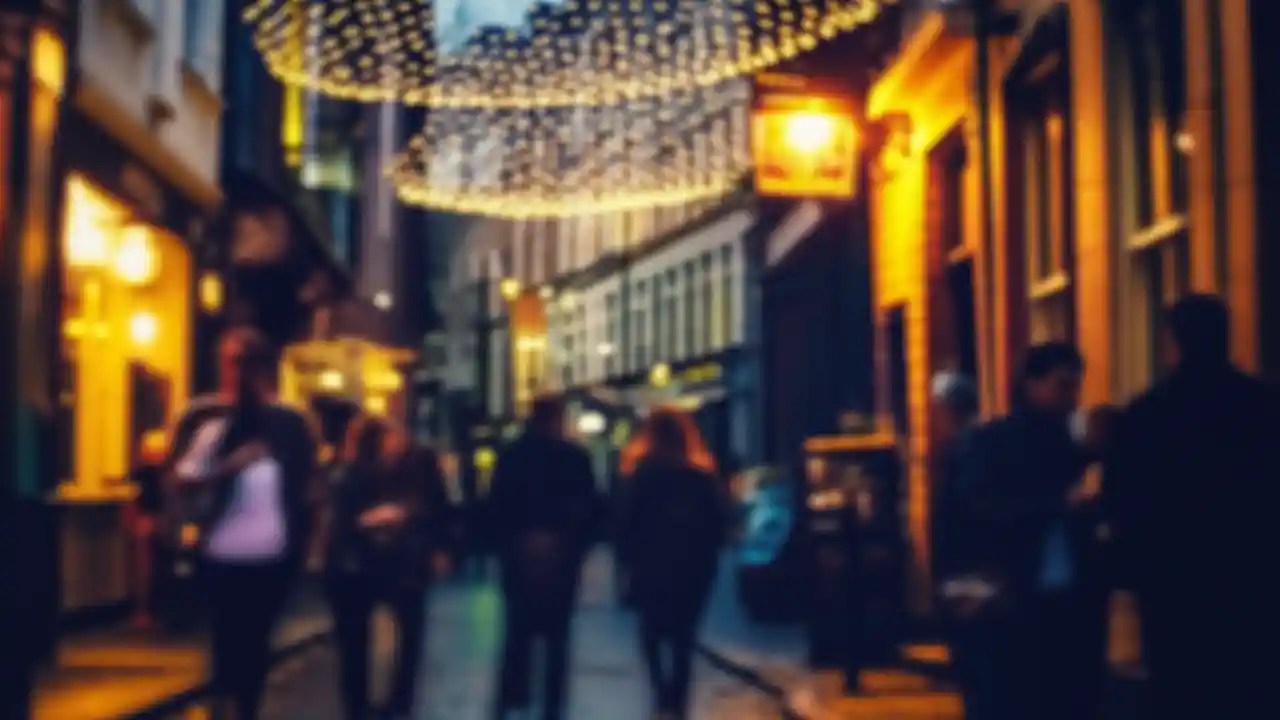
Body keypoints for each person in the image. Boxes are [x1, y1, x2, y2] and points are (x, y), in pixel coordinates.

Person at [1108, 295, 1280, 719]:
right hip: (1250, 574)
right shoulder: (1261, 407)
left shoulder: (1147, 414)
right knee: (1245, 686)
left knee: (1179, 688)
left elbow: (1124, 500)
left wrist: (1130, 569)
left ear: (1173, 343)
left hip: (1172, 579)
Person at [166, 327, 316, 720]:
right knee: (224, 640)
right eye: (231, 362)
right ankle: (227, 707)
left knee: (256, 641)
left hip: (272, 552)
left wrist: (306, 544)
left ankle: (244, 708)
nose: (238, 372)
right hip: (219, 549)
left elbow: (306, 488)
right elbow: (178, 479)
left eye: (246, 362)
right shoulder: (206, 417)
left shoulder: (289, 423)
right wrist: (227, 470)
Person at [960, 343, 1092, 720]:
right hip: (1011, 594)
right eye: (1062, 385)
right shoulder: (995, 442)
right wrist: (1060, 505)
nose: (1071, 397)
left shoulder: (1072, 444)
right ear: (1032, 385)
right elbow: (981, 509)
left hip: (1064, 597)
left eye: (1075, 386)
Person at [326, 418, 452, 720]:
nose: (395, 443)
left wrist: (435, 543)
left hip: (404, 560)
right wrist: (367, 521)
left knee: (409, 634)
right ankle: (360, 705)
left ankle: (397, 701)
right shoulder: (350, 473)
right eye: (388, 438)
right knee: (357, 639)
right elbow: (341, 519)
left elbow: (438, 507)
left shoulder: (420, 463)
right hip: (360, 563)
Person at [489, 398, 600, 720]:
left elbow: (496, 508)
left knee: (517, 632)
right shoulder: (575, 458)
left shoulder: (512, 457)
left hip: (518, 558)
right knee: (557, 637)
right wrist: (576, 548)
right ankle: (552, 706)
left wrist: (507, 546)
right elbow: (591, 510)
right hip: (562, 561)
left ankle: (512, 696)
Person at [619, 409, 725, 720]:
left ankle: (662, 692)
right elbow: (717, 525)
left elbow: (627, 523)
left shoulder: (642, 475)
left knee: (651, 633)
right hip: (693, 569)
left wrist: (628, 561)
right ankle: (677, 701)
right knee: (683, 638)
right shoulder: (701, 477)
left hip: (652, 566)